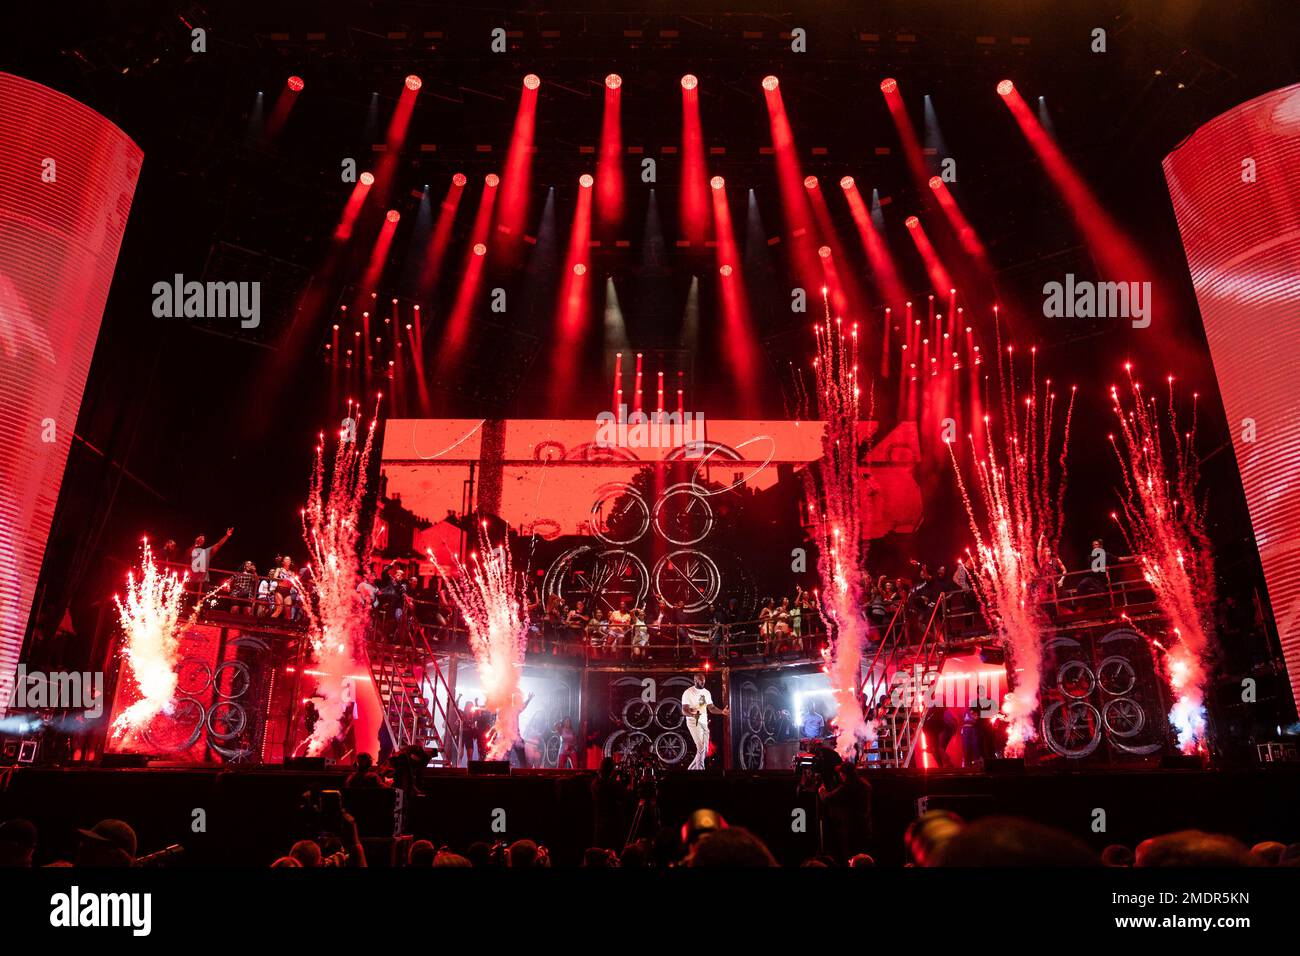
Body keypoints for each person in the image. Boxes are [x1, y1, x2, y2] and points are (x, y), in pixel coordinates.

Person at [818, 761, 873, 863]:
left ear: (844, 774)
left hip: (850, 830)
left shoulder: (847, 787)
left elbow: (826, 799)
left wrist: (821, 789)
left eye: (841, 773)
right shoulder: (865, 784)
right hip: (865, 828)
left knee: (851, 859)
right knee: (864, 858)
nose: (840, 775)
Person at [681, 673, 729, 770]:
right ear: (695, 681)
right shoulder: (688, 692)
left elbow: (711, 708)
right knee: (701, 747)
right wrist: (693, 715)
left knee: (705, 751)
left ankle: (690, 770)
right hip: (693, 722)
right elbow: (684, 710)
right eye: (700, 680)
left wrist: (722, 712)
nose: (703, 682)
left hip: (703, 722)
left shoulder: (706, 693)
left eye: (704, 680)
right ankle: (700, 770)